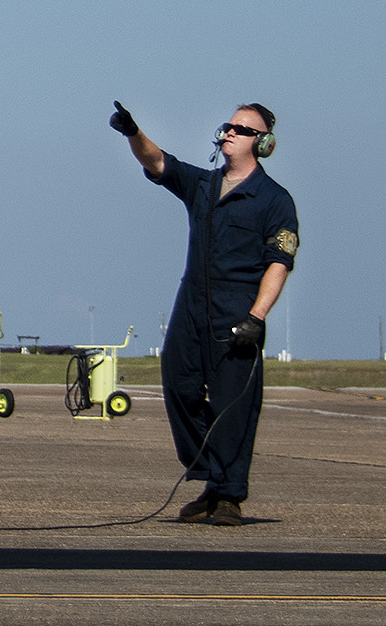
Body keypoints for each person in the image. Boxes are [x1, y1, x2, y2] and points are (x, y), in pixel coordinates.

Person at [110, 98, 298, 525]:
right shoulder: (204, 185)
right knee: (178, 385)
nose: (229, 132)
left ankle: (228, 495)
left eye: (242, 129)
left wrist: (257, 316)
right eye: (228, 126)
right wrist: (132, 132)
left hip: (238, 312)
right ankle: (214, 475)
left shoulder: (273, 200)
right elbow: (159, 163)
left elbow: (279, 262)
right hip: (192, 303)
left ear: (263, 143)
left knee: (235, 405)